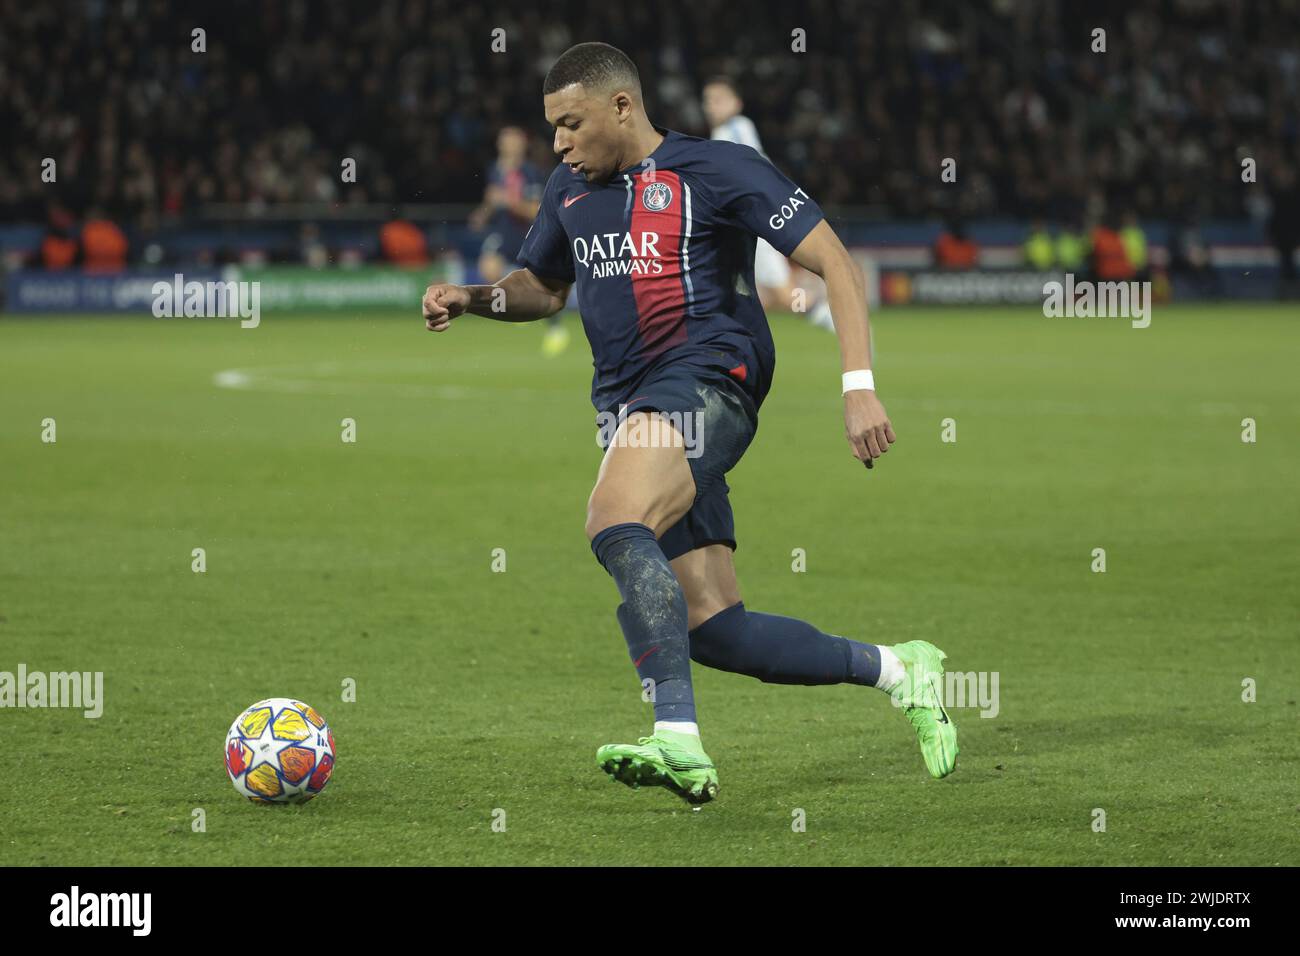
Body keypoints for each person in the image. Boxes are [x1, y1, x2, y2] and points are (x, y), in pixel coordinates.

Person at [421, 43, 956, 805]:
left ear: (622, 107)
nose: (560, 143)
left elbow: (836, 262)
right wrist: (472, 298)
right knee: (714, 628)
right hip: (630, 409)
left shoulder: (717, 170)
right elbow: (542, 287)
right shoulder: (568, 191)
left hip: (711, 381)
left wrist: (858, 387)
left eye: (571, 124)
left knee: (612, 515)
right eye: (552, 129)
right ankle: (901, 669)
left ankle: (676, 737)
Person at [467, 126, 564, 354]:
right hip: (504, 232)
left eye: (512, 140)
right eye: (504, 140)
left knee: (540, 285)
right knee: (489, 267)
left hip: (528, 234)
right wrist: (483, 213)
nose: (507, 144)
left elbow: (535, 210)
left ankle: (555, 329)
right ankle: (521, 307)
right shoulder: (495, 170)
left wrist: (509, 201)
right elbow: (491, 199)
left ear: (521, 145)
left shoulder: (530, 172)